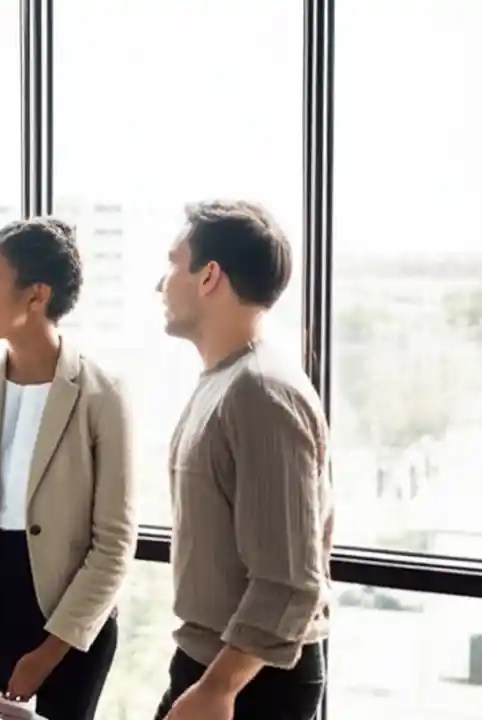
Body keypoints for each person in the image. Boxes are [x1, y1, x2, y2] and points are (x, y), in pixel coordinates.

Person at [0, 217, 138, 720]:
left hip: (69, 628)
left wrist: (48, 653)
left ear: (35, 296)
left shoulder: (102, 395)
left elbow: (114, 542)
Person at [154, 200, 332, 720]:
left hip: (249, 681)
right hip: (211, 664)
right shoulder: (226, 381)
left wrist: (219, 689)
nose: (161, 283)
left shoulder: (260, 391)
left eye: (172, 263)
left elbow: (289, 576)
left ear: (209, 276)